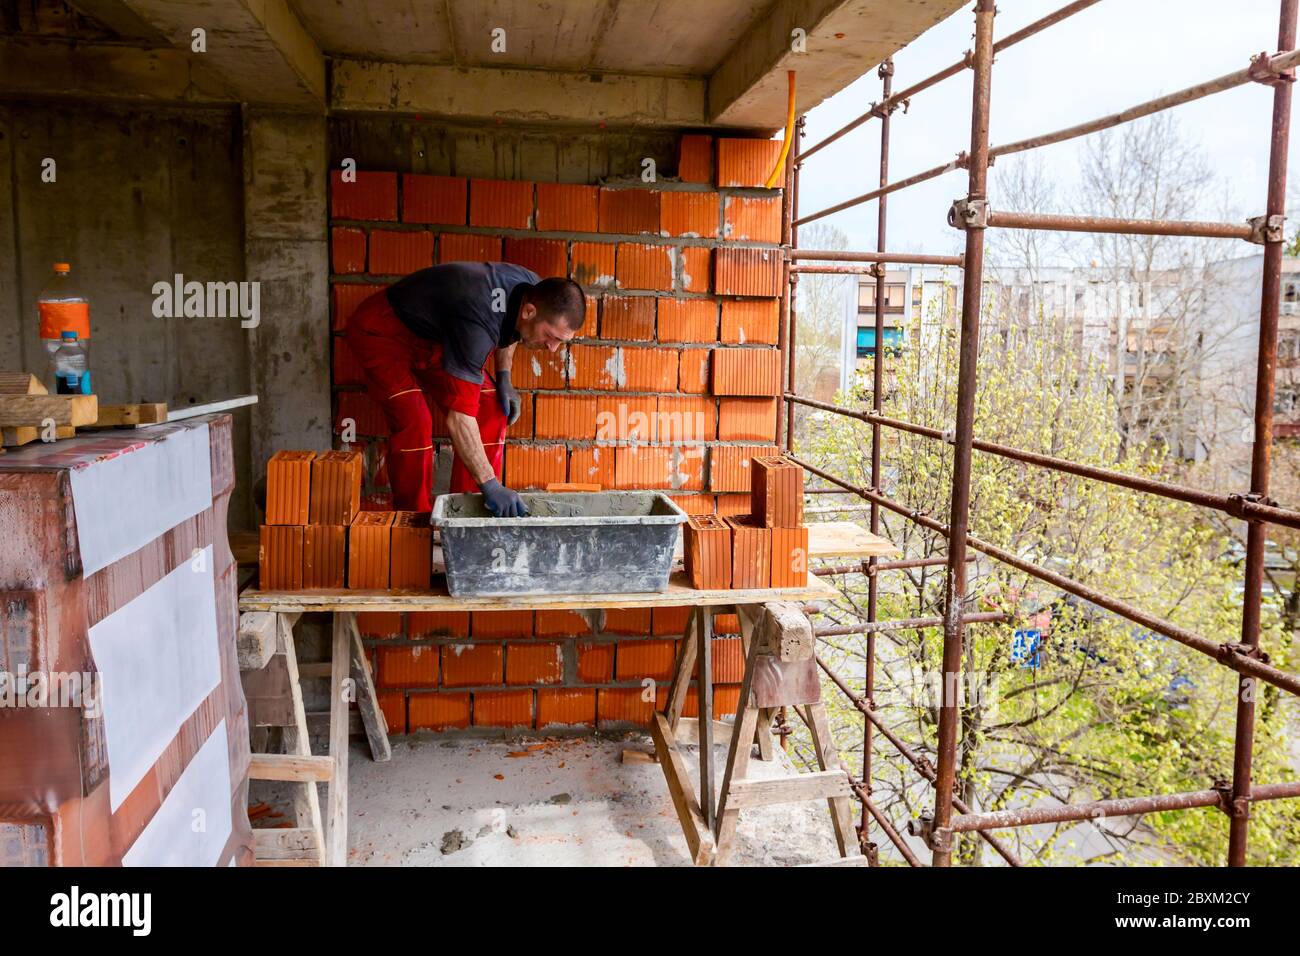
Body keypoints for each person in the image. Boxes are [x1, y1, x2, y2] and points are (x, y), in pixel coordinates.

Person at [344, 262, 585, 516]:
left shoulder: (534, 290)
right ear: (529, 311)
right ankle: (413, 520)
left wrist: (504, 376)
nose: (552, 348)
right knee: (415, 420)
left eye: (561, 341)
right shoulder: (478, 321)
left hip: (437, 340)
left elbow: (511, 327)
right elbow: (459, 420)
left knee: (492, 408)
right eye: (552, 337)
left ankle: (468, 512)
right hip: (382, 332)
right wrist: (491, 483)